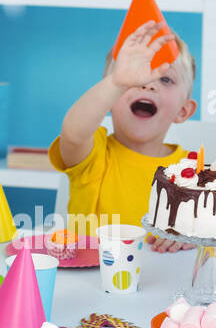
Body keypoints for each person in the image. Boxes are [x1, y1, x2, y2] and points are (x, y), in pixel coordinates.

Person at [51, 20, 197, 251]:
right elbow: (73, 134)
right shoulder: (94, 154)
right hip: (92, 274)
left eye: (165, 79)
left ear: (183, 111)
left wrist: (191, 238)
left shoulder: (194, 170)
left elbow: (210, 234)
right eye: (134, 73)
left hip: (165, 274)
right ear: (109, 99)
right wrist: (117, 82)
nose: (146, 83)